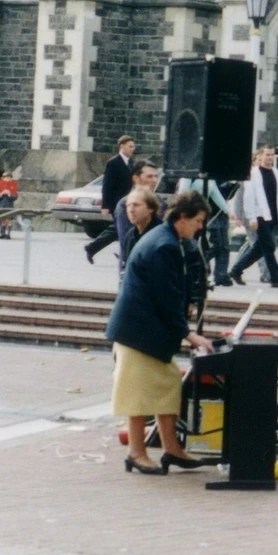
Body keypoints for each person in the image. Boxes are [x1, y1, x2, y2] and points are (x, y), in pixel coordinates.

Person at [104, 190, 213, 475]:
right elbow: (165, 296)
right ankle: (137, 454)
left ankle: (172, 449)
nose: (200, 227)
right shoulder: (164, 245)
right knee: (138, 395)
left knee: (167, 385)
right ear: (183, 217)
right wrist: (189, 334)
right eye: (198, 221)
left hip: (142, 331)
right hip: (136, 332)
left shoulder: (166, 238)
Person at [230, 146, 278, 288]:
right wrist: (251, 218)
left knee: (259, 247)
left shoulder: (275, 172)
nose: (270, 157)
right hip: (259, 216)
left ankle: (236, 270)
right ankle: (275, 278)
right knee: (269, 246)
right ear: (261, 156)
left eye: (272, 155)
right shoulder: (254, 173)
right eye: (267, 155)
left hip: (272, 216)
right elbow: (249, 197)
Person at [85, 135, 137, 264]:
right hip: (117, 203)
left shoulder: (131, 163)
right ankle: (123, 253)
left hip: (128, 202)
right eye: (130, 146)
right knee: (122, 229)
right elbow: (107, 186)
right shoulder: (113, 163)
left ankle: (92, 248)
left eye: (133, 147)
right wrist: (105, 205)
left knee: (120, 229)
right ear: (122, 146)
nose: (132, 149)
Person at [115, 161, 160, 273]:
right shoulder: (126, 204)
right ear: (136, 178)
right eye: (149, 176)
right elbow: (127, 238)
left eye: (156, 176)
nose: (154, 180)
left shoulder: (160, 202)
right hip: (135, 267)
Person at [117, 188, 161, 269]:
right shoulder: (130, 235)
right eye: (128, 205)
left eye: (136, 205)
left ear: (150, 208)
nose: (131, 210)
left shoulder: (160, 236)